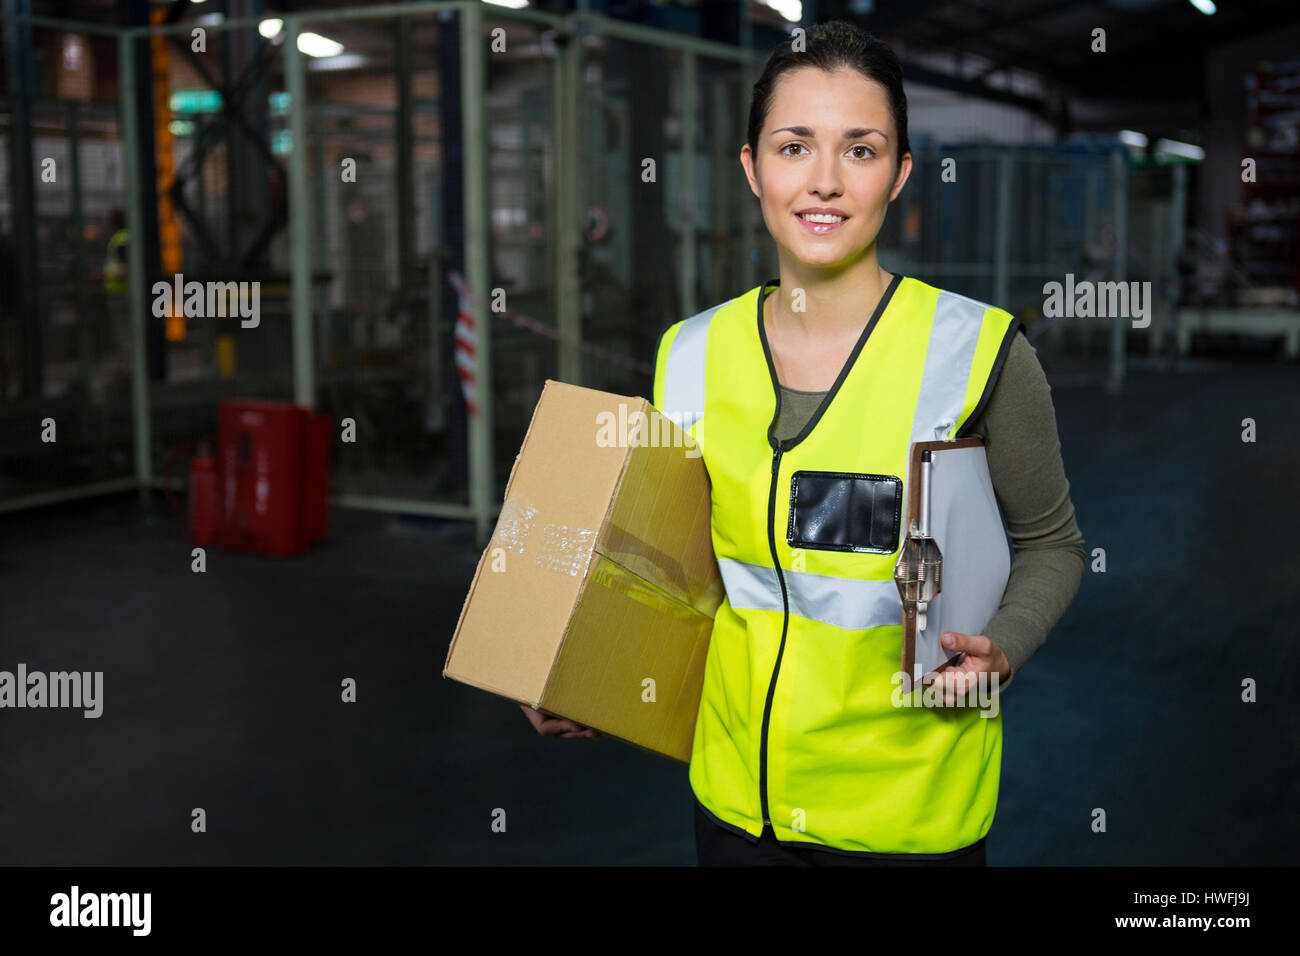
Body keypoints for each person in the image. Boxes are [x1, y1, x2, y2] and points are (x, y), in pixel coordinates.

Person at [525, 20, 1085, 867]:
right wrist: (584, 672)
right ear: (752, 167)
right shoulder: (691, 353)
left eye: (860, 152)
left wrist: (1007, 642)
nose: (824, 182)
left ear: (899, 174)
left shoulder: (979, 355)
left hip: (905, 817)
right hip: (735, 807)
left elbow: (1053, 543)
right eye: (794, 147)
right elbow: (679, 569)